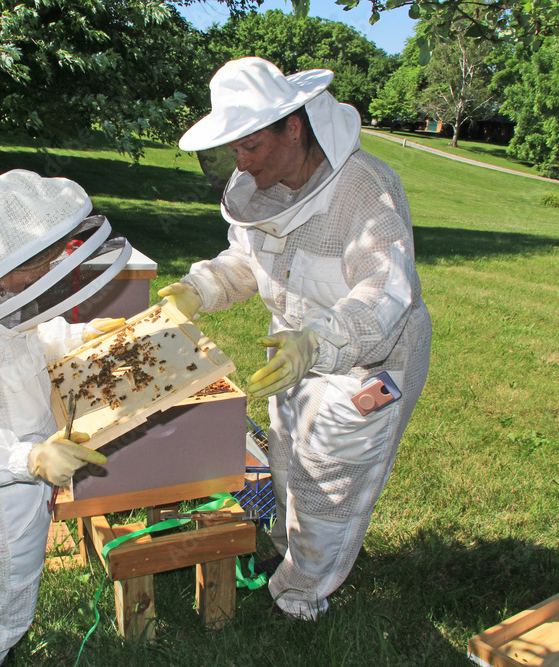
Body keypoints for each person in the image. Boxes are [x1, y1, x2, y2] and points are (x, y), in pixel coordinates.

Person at [158, 57, 431, 620]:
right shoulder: (261, 191)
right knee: (286, 463)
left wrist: (317, 343)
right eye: (234, 149)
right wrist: (196, 289)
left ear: (294, 127)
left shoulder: (366, 190)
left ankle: (302, 598)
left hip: (366, 361)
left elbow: (384, 291)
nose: (241, 160)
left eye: (250, 146)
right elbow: (246, 259)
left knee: (329, 484)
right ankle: (289, 556)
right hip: (294, 352)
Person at [0, 170, 128, 666]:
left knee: (13, 588)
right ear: (5, 260)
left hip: (18, 487)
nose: (47, 274)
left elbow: (32, 340)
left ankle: (0, 648)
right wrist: (30, 458)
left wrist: (86, 336)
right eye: (39, 267)